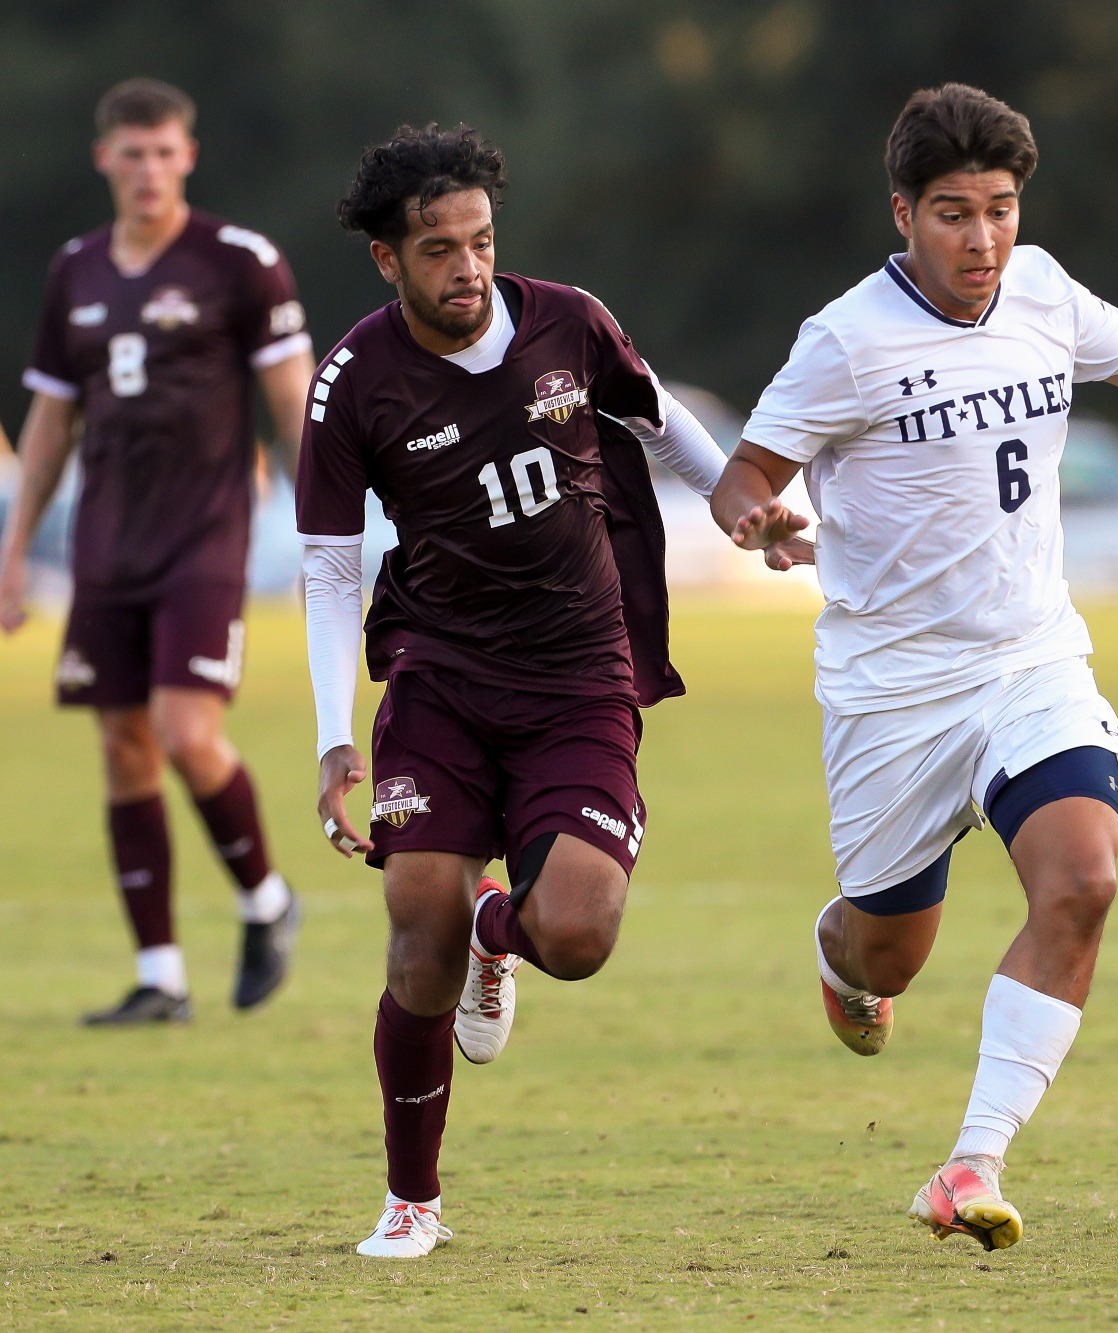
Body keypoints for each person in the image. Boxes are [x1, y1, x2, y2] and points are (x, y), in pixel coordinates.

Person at [712, 83, 1118, 1252]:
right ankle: (838, 955)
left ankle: (969, 1161)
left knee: (1082, 883)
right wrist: (757, 520)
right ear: (902, 214)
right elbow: (743, 474)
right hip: (890, 694)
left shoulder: (1041, 290)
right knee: (887, 949)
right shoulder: (845, 339)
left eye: (999, 209)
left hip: (1027, 660)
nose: (982, 239)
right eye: (953, 213)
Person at [298, 123, 767, 1259]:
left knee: (578, 934)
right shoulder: (352, 382)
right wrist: (330, 740)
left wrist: (741, 508)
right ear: (387, 261)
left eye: (480, 241)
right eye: (438, 250)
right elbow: (325, 567)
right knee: (416, 925)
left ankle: (498, 937)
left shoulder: (570, 320)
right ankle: (413, 1199)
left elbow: (662, 426)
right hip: (440, 681)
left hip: (578, 681)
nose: (466, 267)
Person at [0, 78, 312, 1025]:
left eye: (164, 151)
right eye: (131, 153)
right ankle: (161, 975)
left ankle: (266, 899)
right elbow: (52, 421)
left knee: (185, 732)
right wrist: (15, 548)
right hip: (107, 543)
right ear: (105, 158)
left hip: (205, 535)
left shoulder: (239, 262)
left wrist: (325, 523)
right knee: (122, 746)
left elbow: (293, 400)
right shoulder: (76, 270)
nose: (148, 170)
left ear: (189, 155)